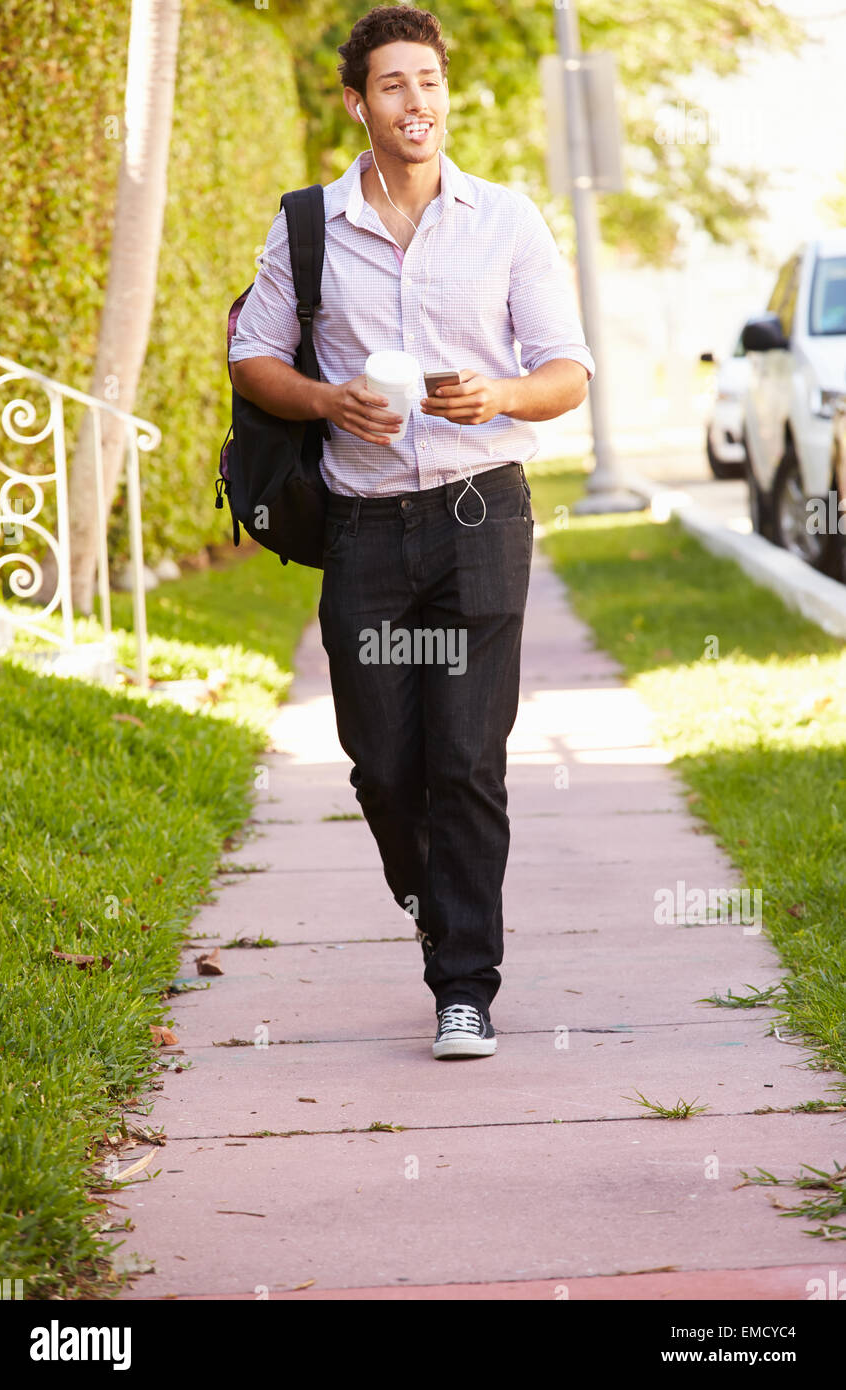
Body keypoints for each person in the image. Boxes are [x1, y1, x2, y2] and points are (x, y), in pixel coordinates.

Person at [228, 4, 594, 1060]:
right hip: (364, 529)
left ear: (444, 96)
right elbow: (252, 355)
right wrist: (326, 401)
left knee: (469, 758)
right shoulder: (309, 223)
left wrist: (503, 395)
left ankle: (463, 984)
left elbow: (566, 370)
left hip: (482, 515)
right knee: (383, 764)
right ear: (358, 103)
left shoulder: (506, 220)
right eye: (392, 85)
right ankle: (437, 907)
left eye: (426, 83)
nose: (414, 102)